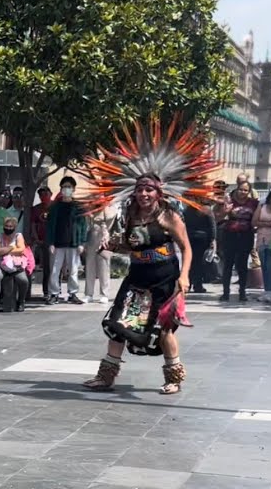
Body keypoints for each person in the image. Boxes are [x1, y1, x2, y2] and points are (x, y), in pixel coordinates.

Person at [79, 120, 213, 395]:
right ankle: (106, 376)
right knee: (117, 325)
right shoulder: (130, 215)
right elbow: (133, 247)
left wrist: (185, 277)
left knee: (164, 331)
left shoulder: (169, 216)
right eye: (140, 190)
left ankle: (174, 377)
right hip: (137, 278)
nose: (143, 194)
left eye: (148, 190)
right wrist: (114, 246)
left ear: (158, 192)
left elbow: (186, 248)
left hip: (165, 279)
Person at [45, 177, 87, 305]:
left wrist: (81, 243)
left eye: (69, 187)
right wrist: (50, 242)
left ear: (73, 189)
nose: (66, 189)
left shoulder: (78, 206)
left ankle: (72, 293)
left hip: (73, 243)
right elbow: (50, 225)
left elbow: (83, 225)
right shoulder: (55, 206)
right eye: (64, 187)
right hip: (57, 243)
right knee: (55, 270)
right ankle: (54, 294)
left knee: (73, 270)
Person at [219, 180, 257, 302]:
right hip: (230, 235)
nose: (243, 192)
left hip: (246, 236)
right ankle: (225, 293)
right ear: (237, 189)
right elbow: (218, 217)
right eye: (241, 189)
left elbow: (256, 219)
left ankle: (242, 293)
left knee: (242, 265)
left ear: (249, 192)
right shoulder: (229, 201)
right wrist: (226, 211)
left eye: (246, 190)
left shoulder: (254, 203)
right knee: (228, 265)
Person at [0, 217, 31, 312]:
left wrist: (5, 250)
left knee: (23, 280)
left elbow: (21, 250)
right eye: (6, 226)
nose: (8, 228)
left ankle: (21, 301)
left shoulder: (18, 236)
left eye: (11, 226)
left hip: (15, 264)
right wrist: (11, 247)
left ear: (14, 227)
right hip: (1, 263)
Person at [182, 200, 216, 294]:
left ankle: (188, 284)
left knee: (189, 262)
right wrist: (212, 239)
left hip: (189, 237)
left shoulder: (187, 209)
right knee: (199, 263)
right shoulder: (206, 209)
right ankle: (198, 285)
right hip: (202, 238)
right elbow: (212, 225)